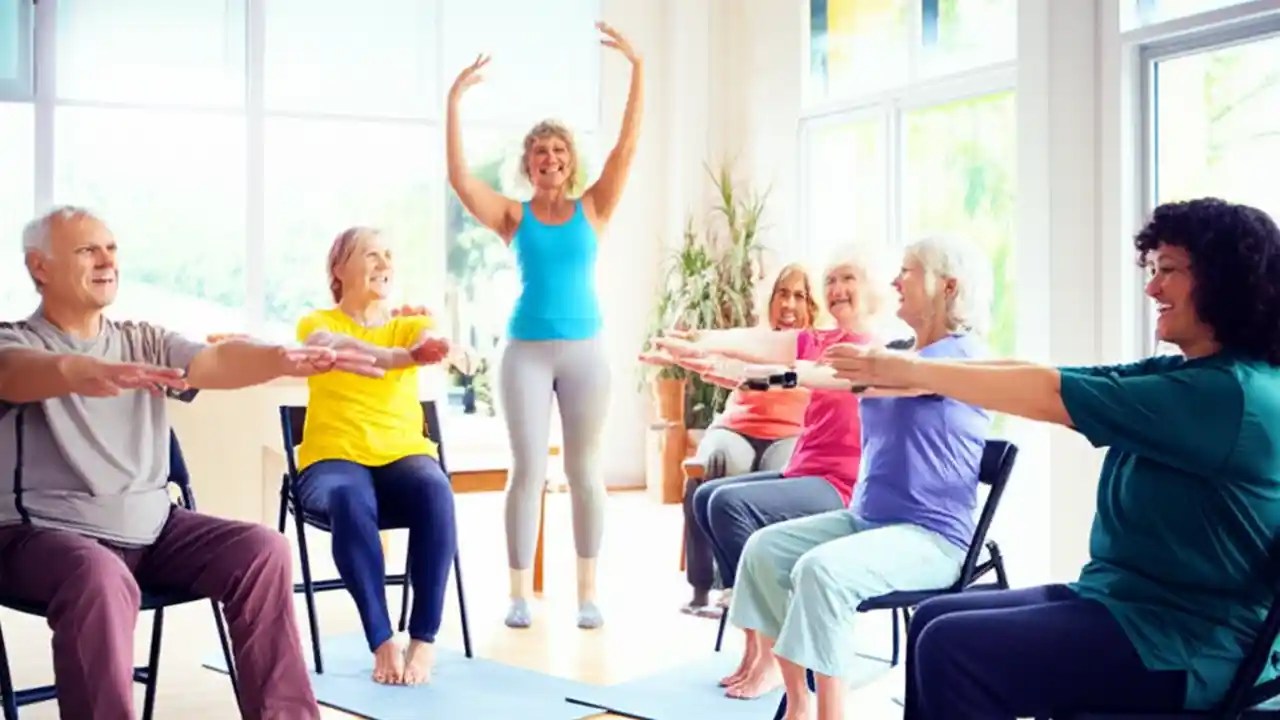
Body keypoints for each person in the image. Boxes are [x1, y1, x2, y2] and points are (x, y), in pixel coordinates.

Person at [824, 198, 1280, 719]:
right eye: (1152, 271)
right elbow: (1049, 374)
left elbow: (1051, 396)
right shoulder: (1190, 375)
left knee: (954, 649)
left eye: (1168, 271)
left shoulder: (1231, 397)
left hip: (1187, 643)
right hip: (1124, 603)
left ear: (1226, 279)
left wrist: (912, 370)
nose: (1152, 287)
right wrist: (910, 366)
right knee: (931, 618)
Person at [0, 206, 383, 720]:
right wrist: (77, 369)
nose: (106, 259)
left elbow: (214, 361)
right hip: (39, 538)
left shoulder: (143, 340)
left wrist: (280, 358)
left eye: (111, 248)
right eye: (87, 249)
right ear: (39, 267)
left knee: (261, 550)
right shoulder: (15, 341)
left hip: (153, 529)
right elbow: (14, 374)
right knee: (99, 575)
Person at [728, 237, 993, 720]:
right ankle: (799, 704)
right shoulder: (897, 352)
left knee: (822, 570)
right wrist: (745, 375)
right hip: (867, 520)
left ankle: (833, 715)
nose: (896, 281)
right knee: (764, 550)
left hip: (932, 539)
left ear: (947, 287)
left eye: (908, 271)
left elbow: (857, 379)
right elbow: (821, 373)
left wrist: (770, 376)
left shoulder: (961, 358)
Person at [445, 21, 644, 630]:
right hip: (526, 352)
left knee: (584, 470)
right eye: (540, 152)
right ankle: (518, 596)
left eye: (559, 150)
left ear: (569, 161)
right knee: (527, 470)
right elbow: (459, 179)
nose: (550, 158)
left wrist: (638, 69)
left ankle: (586, 592)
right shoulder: (513, 216)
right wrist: (454, 101)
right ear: (529, 165)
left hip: (586, 353)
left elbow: (626, 149)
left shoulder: (595, 207)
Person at [645, 244, 893, 700]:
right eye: (832, 280)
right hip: (803, 471)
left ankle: (780, 655)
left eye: (848, 280)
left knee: (729, 504)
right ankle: (756, 642)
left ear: (871, 290)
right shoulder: (821, 342)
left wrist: (727, 366)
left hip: (839, 488)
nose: (837, 289)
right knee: (707, 496)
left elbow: (787, 375)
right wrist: (697, 345)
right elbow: (757, 343)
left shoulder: (875, 354)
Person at [292, 226, 456, 686]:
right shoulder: (315, 322)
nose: (384, 263)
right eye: (371, 255)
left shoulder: (409, 324)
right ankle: (383, 638)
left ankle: (423, 638)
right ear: (339, 269)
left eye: (388, 254)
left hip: (401, 456)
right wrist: (400, 357)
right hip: (333, 459)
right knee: (349, 496)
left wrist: (433, 342)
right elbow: (334, 346)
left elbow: (432, 337)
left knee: (435, 490)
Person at [663, 263, 817, 616]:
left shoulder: (816, 345)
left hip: (790, 434)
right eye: (782, 293)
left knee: (782, 476)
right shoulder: (755, 340)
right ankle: (707, 587)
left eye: (799, 296)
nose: (789, 304)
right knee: (715, 463)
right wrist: (689, 356)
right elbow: (727, 367)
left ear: (812, 306)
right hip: (737, 427)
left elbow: (783, 380)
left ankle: (760, 587)